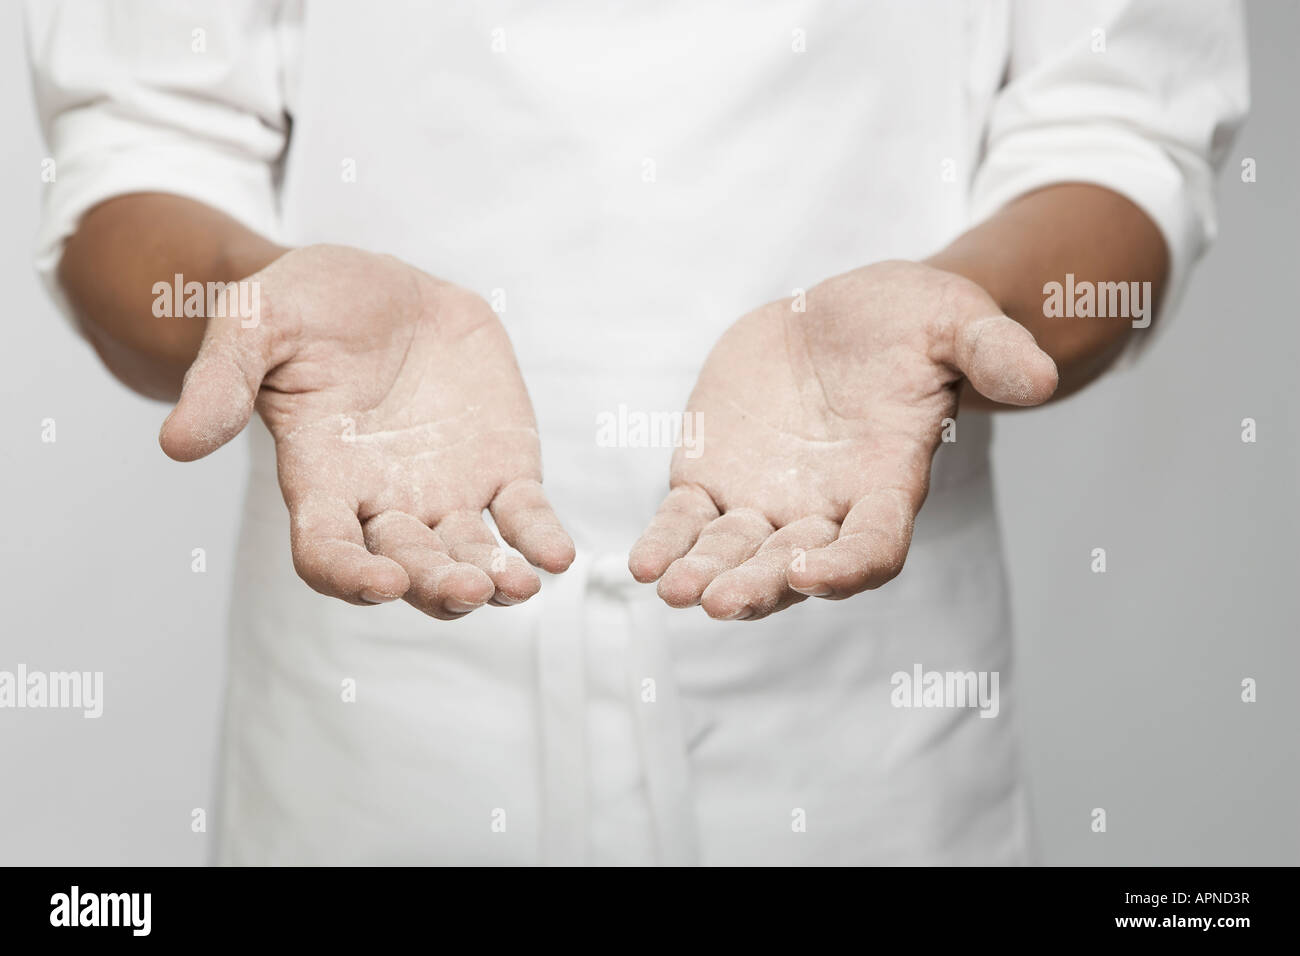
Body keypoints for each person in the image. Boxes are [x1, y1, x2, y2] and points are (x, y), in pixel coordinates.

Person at [26, 1, 1248, 865]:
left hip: (856, 722)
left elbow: (1117, 126)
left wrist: (950, 315)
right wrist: (263, 304)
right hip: (377, 714)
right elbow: (142, 138)